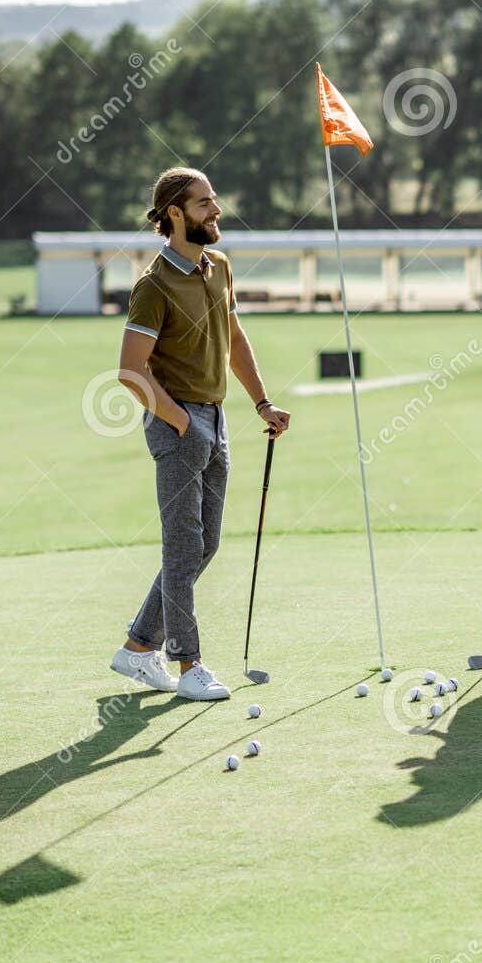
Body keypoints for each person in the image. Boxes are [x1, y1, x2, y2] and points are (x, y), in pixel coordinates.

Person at [108, 167, 291, 701]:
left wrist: (262, 401)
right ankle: (188, 664)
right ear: (174, 214)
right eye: (204, 203)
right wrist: (181, 421)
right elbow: (130, 371)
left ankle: (138, 648)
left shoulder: (220, 268)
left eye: (214, 199)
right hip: (178, 425)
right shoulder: (153, 285)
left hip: (218, 418)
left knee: (204, 544)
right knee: (183, 548)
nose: (216, 211)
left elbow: (233, 337)